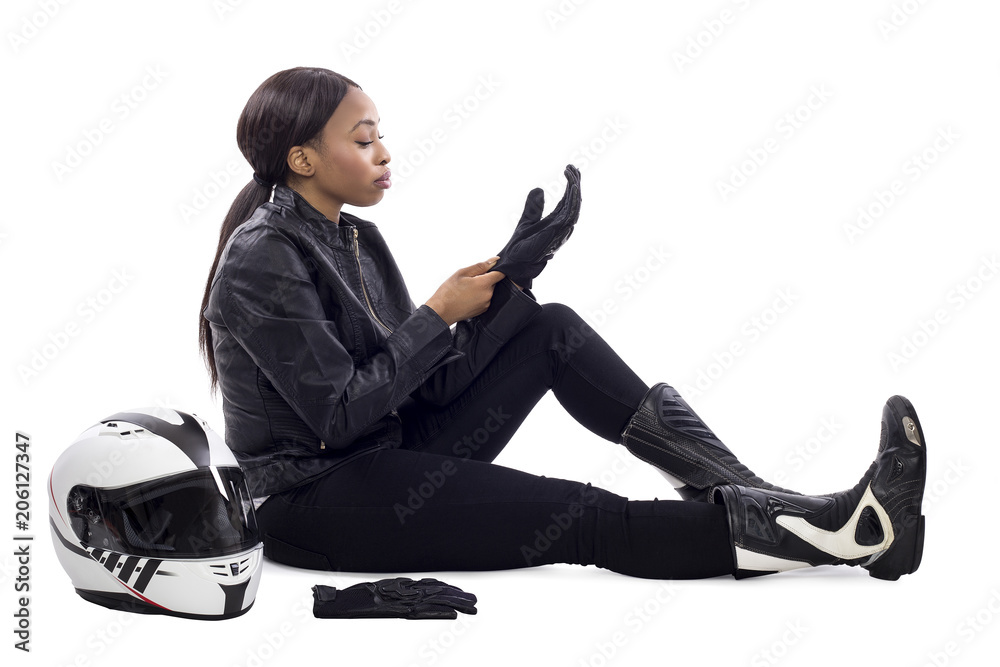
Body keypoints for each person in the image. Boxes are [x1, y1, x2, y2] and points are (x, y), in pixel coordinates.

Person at [199, 67, 926, 581]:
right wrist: (438, 312)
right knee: (580, 517)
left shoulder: (355, 238)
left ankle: (764, 501)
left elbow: (425, 386)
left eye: (380, 134)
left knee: (552, 329)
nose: (384, 151)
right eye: (362, 140)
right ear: (301, 159)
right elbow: (337, 413)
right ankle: (842, 533)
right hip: (315, 497)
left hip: (387, 449)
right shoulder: (261, 256)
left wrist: (513, 277)